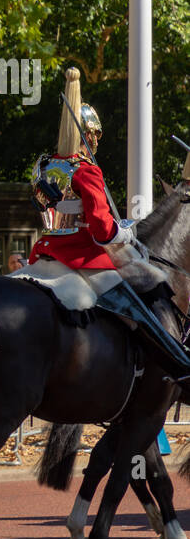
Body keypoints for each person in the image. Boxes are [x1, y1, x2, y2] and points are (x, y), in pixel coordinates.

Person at [26, 67, 190, 379]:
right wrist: (126, 231)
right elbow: (103, 232)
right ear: (87, 134)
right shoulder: (86, 170)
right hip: (83, 256)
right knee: (144, 298)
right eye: (97, 133)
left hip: (45, 250)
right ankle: (173, 368)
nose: (98, 139)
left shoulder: (44, 166)